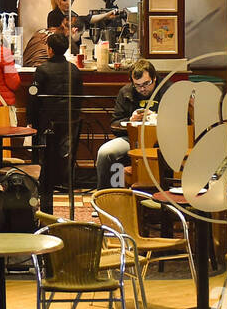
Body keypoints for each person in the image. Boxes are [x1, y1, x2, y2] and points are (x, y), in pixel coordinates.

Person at [30, 31, 85, 193]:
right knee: (65, 153)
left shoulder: (42, 70)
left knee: (46, 152)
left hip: (47, 120)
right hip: (70, 120)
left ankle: (46, 185)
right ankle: (65, 184)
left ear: (50, 50)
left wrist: (31, 119)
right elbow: (79, 97)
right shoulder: (74, 70)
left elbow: (34, 96)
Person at [96, 60, 158, 189]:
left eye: (147, 84)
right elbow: (114, 124)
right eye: (138, 85)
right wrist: (131, 121)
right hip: (130, 138)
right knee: (105, 153)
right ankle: (107, 198)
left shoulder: (166, 90)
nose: (142, 89)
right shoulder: (126, 92)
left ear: (154, 78)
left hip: (160, 140)